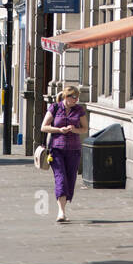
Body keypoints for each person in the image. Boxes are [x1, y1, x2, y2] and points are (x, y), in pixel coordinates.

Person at [42, 85, 88, 222]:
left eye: (77, 97)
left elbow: (85, 129)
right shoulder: (55, 108)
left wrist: (74, 130)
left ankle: (63, 208)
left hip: (74, 150)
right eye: (73, 97)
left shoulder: (79, 110)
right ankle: (61, 212)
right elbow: (43, 127)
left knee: (70, 180)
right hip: (57, 150)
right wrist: (59, 130)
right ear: (66, 97)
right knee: (60, 178)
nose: (76, 100)